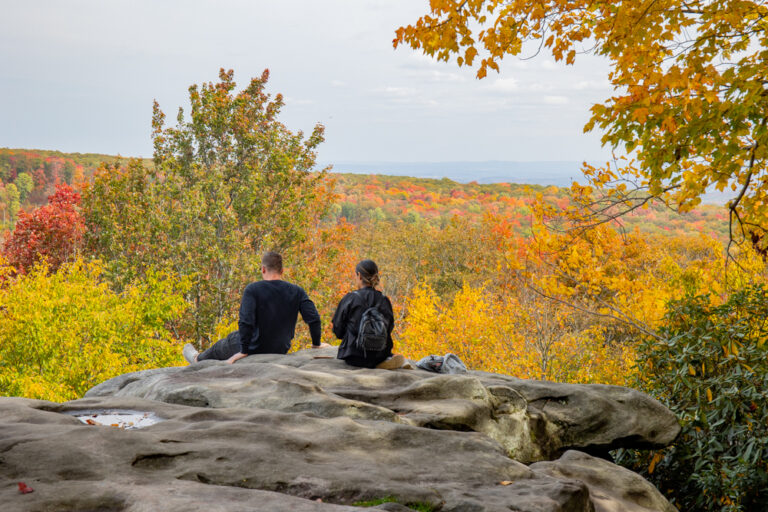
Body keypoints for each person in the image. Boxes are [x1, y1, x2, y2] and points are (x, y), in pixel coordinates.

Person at [183, 251, 330, 364]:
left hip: (253, 347)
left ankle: (197, 360)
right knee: (230, 340)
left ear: (263, 269)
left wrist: (244, 351)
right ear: (282, 271)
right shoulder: (297, 291)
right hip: (280, 348)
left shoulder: (253, 289)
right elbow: (314, 319)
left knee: (222, 345)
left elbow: (246, 322)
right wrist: (316, 344)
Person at [331, 259, 405, 370]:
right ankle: (387, 358)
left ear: (359, 275)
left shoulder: (350, 299)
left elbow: (338, 330)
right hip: (380, 355)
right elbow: (389, 328)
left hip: (353, 355)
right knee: (383, 354)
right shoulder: (384, 300)